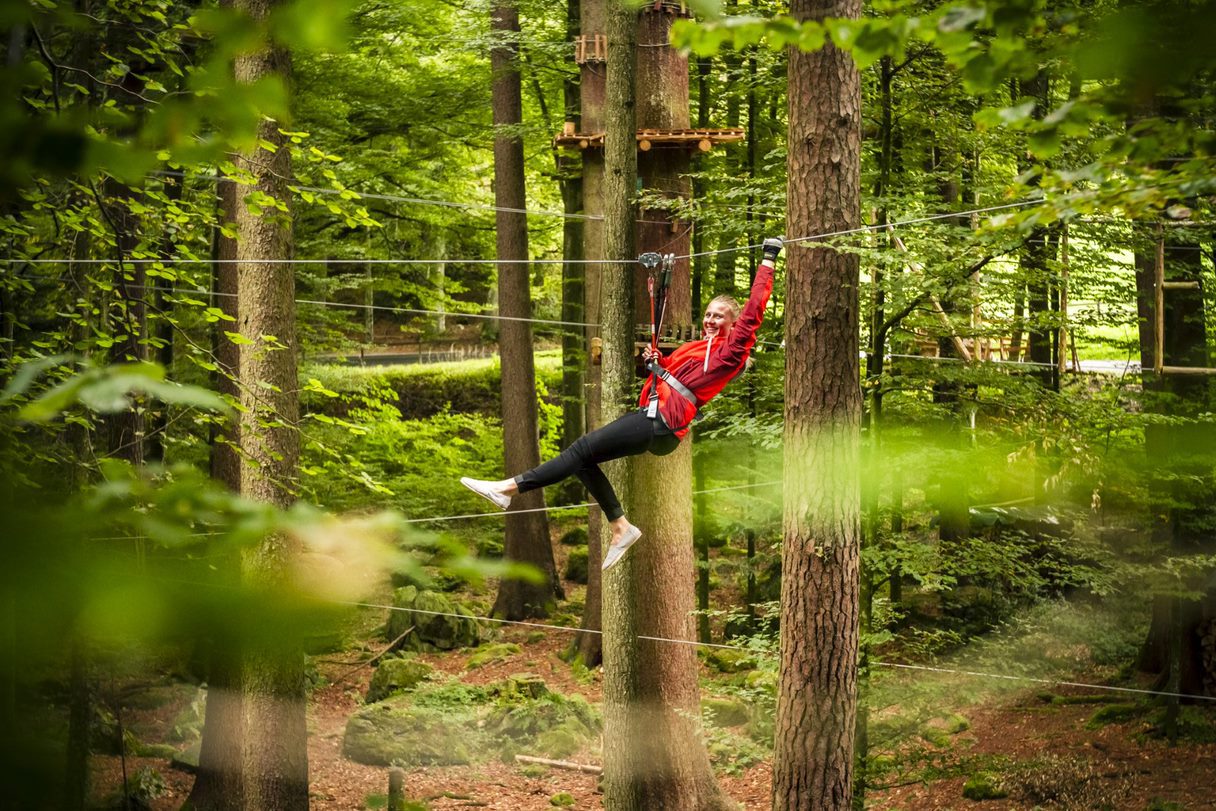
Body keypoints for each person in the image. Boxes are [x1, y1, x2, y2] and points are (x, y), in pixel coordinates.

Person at [462, 237, 783, 570]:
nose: (711, 320)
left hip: (661, 424)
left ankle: (509, 489)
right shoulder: (697, 348)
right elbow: (675, 374)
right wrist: (657, 362)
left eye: (720, 317)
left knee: (579, 451)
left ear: (733, 325)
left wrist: (768, 259)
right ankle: (620, 527)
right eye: (708, 314)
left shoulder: (729, 353)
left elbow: (754, 309)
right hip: (654, 419)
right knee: (583, 459)